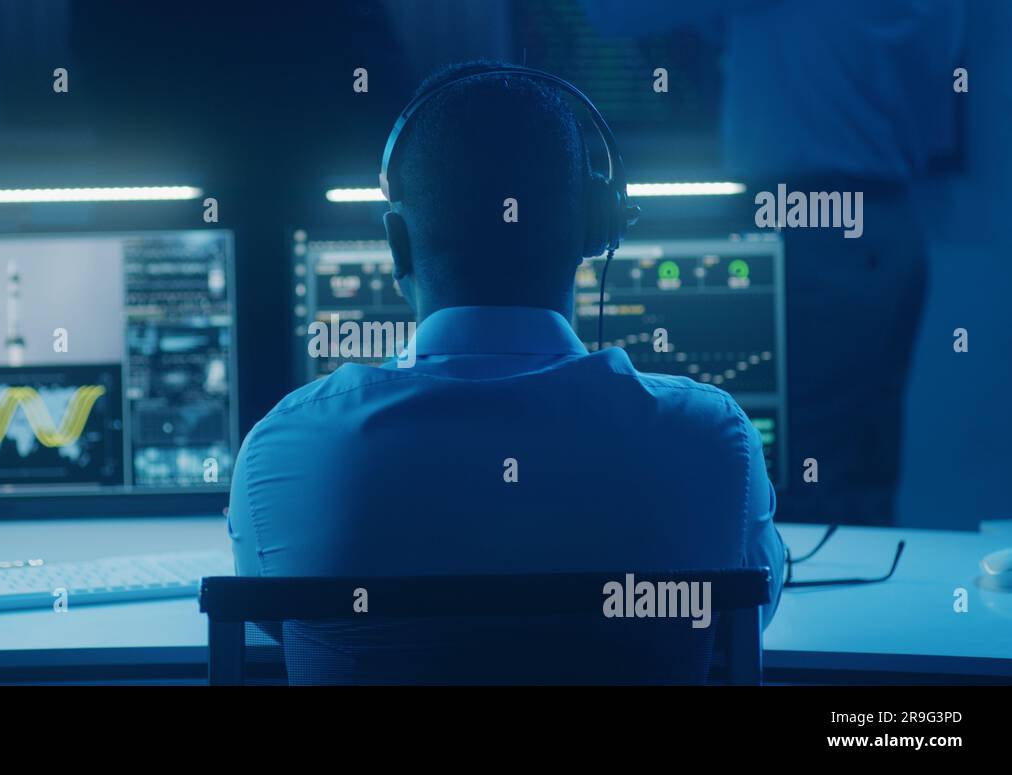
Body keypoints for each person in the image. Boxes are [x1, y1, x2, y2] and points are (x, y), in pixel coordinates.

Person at [227, 61, 784, 680]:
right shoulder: (711, 440)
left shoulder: (283, 449)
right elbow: (746, 625)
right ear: (593, 233)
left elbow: (279, 626)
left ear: (396, 243)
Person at [583, 0, 965, 524]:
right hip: (888, 224)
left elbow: (612, 14)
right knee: (865, 469)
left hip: (819, 230)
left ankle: (797, 606)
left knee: (805, 472)